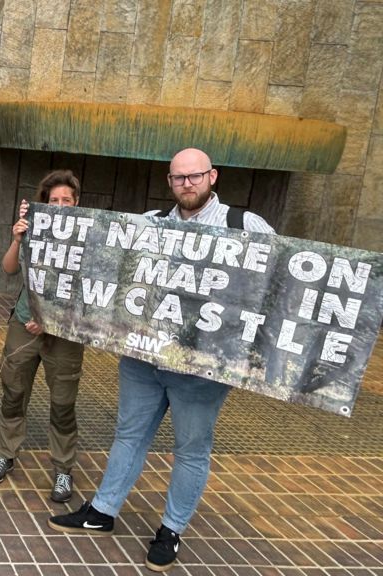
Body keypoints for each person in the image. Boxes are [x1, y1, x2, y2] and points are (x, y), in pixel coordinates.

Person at [47, 148, 275, 572]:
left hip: (201, 370)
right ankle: (102, 510)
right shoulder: (149, 225)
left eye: (195, 176)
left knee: (191, 450)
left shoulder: (245, 227)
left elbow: (276, 287)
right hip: (143, 360)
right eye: (178, 178)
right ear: (169, 182)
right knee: (128, 434)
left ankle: (171, 530)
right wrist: (42, 231)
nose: (187, 184)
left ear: (213, 177)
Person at [0, 170, 86, 504]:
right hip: (24, 324)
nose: (59, 205)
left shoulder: (89, 240)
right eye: (53, 200)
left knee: (62, 403)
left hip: (65, 332)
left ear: (76, 204)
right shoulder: (32, 231)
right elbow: (9, 269)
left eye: (66, 200)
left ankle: (62, 469)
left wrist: (50, 320)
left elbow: (93, 293)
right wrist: (16, 238)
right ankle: (5, 452)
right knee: (14, 392)